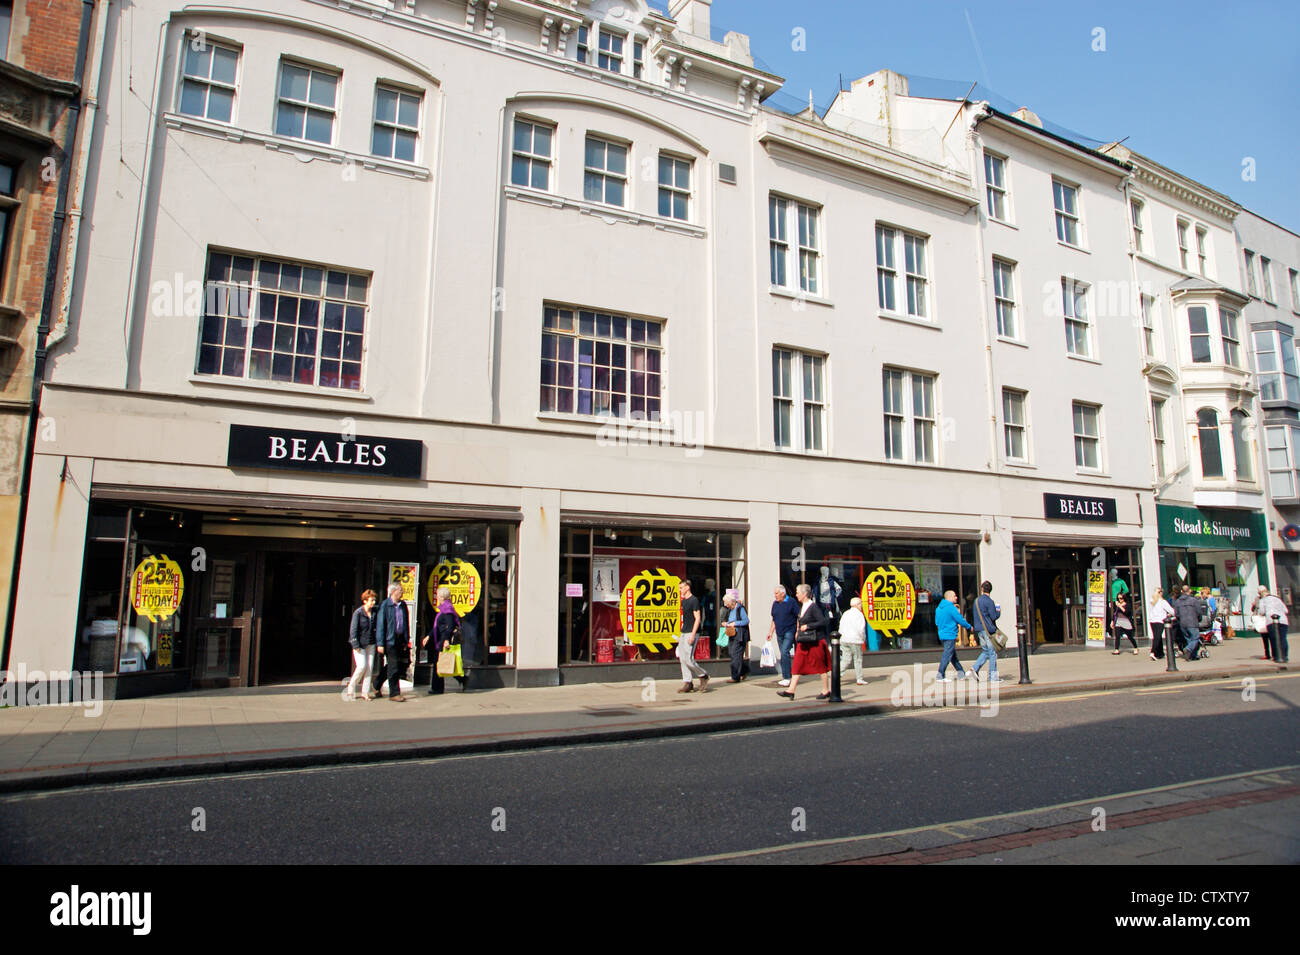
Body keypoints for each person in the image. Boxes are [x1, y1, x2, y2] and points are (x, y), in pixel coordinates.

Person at [779, 583, 830, 700]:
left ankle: (826, 690)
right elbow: (800, 621)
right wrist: (798, 630)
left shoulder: (813, 607)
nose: (796, 595)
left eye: (798, 593)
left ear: (804, 594)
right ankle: (791, 690)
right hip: (804, 641)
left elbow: (823, 621)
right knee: (797, 664)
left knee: (820, 666)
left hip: (815, 641)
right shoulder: (803, 606)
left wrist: (808, 626)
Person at [375, 583, 413, 701]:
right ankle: (394, 693)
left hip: (400, 639)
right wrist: (380, 643)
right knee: (393, 666)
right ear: (393, 592)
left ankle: (377, 683)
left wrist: (407, 640)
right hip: (389, 640)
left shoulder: (402, 605)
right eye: (400, 590)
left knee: (397, 664)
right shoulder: (385, 605)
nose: (402, 592)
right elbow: (380, 624)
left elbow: (406, 623)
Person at [422, 585, 461, 695]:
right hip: (440, 639)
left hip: (443, 640)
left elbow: (451, 625)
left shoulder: (447, 609)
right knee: (442, 663)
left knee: (438, 664)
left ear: (442, 597)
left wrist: (446, 640)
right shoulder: (443, 608)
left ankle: (437, 688)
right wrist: (429, 636)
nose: (437, 597)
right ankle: (461, 680)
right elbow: (437, 626)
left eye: (438, 595)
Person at [344, 589, 378, 701]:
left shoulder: (374, 613)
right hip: (360, 643)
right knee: (362, 666)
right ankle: (351, 687)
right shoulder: (358, 613)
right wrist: (355, 643)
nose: (373, 602)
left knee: (369, 668)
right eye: (371, 600)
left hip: (371, 643)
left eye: (374, 600)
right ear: (365, 601)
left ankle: (365, 692)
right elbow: (353, 629)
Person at [935, 590, 974, 682]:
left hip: (942, 634)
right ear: (949, 597)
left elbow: (936, 622)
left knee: (952, 655)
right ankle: (940, 675)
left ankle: (961, 673)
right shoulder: (951, 608)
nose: (956, 597)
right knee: (947, 655)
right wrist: (969, 627)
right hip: (950, 634)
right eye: (955, 596)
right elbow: (960, 619)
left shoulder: (939, 608)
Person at [676, 580, 708, 693]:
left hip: (691, 632)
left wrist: (693, 634)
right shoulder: (684, 602)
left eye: (681, 587)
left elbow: (697, 618)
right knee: (682, 658)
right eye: (679, 588)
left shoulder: (694, 600)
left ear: (687, 587)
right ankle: (688, 682)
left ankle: (703, 675)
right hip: (684, 632)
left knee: (688, 658)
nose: (680, 590)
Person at [969, 581, 1003, 682]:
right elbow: (993, 617)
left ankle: (974, 668)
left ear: (982, 589)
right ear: (990, 590)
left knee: (986, 651)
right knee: (992, 653)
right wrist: (998, 611)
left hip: (979, 630)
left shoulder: (976, 601)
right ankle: (993, 677)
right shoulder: (989, 601)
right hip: (988, 630)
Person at [767, 585, 799, 687]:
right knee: (783, 653)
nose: (775, 595)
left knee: (785, 651)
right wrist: (770, 632)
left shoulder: (791, 602)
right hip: (779, 632)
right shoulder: (775, 604)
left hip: (790, 630)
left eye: (776, 593)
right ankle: (787, 675)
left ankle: (787, 677)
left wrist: (797, 630)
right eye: (774, 593)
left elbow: (798, 616)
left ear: (783, 593)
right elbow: (774, 619)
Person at [1253, 586, 1289, 663]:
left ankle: (1276, 656)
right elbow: (1286, 610)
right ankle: (1285, 656)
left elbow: (1261, 612)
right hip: (1283, 620)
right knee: (1283, 638)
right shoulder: (1278, 599)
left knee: (1274, 639)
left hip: (1271, 621)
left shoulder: (1263, 600)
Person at [838, 596, 868, 685]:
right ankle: (859, 678)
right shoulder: (859, 615)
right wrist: (863, 639)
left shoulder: (846, 613)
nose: (861, 606)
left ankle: (837, 675)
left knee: (845, 659)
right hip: (855, 640)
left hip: (844, 639)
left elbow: (841, 627)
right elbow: (861, 629)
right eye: (861, 604)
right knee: (858, 659)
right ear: (858, 604)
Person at [722, 594, 751, 683]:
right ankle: (744, 670)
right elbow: (730, 621)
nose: (725, 605)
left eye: (726, 603)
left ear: (732, 602)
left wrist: (735, 623)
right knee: (732, 653)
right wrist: (726, 623)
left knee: (736, 655)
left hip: (740, 636)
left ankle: (735, 677)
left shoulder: (740, 609)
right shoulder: (730, 610)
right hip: (732, 634)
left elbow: (746, 621)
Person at [1172, 585, 1203, 661]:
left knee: (1189, 639)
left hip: (1183, 623)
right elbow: (1199, 612)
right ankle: (1188, 649)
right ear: (1189, 591)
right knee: (1195, 638)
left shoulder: (1177, 601)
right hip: (1192, 622)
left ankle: (1192, 655)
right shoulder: (1194, 600)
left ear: (1182, 591)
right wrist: (1198, 619)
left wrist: (1180, 620)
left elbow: (1177, 614)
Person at [1147, 588, 1175, 660]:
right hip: (1160, 620)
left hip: (1152, 620)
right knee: (1157, 637)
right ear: (1160, 593)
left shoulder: (1152, 601)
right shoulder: (1163, 602)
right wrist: (1173, 614)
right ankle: (1153, 652)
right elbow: (1171, 611)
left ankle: (1160, 653)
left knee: (1157, 637)